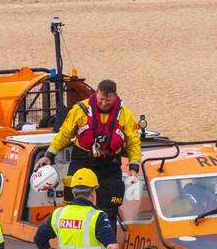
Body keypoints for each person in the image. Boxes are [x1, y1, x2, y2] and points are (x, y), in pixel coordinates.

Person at [34, 79, 141, 230]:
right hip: (82, 160)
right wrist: (49, 155)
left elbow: (134, 142)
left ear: (115, 97)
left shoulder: (125, 115)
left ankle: (106, 242)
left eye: (108, 101)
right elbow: (64, 134)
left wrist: (134, 167)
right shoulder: (80, 110)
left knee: (109, 208)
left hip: (110, 165)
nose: (104, 103)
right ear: (96, 93)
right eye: (101, 99)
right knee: (75, 205)